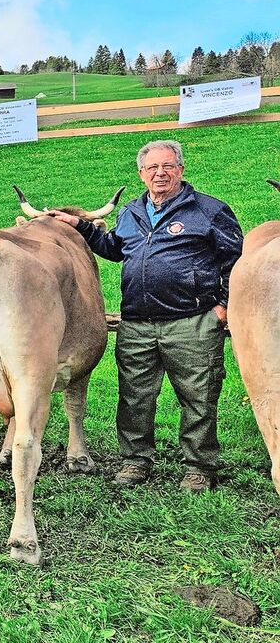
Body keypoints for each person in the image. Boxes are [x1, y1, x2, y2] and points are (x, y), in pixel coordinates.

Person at [48, 140, 243, 492]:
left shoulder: (209, 211)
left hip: (192, 321)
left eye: (168, 166)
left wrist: (224, 304)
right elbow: (114, 249)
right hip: (136, 323)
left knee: (198, 396)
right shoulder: (131, 213)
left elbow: (236, 260)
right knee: (135, 396)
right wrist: (79, 226)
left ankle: (199, 467)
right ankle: (135, 461)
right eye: (152, 168)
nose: (160, 173)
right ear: (141, 174)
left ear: (181, 170)